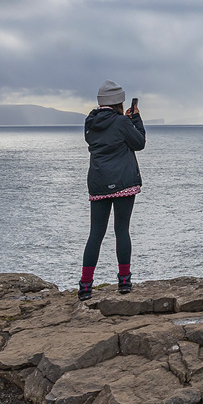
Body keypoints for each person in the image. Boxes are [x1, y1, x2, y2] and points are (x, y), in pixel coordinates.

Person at [80, 80, 146, 300]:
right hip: (123, 182)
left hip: (98, 182)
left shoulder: (90, 122)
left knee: (95, 234)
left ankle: (85, 285)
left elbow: (101, 139)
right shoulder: (122, 122)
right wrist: (135, 120)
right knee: (121, 230)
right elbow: (139, 143)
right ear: (119, 102)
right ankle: (124, 281)